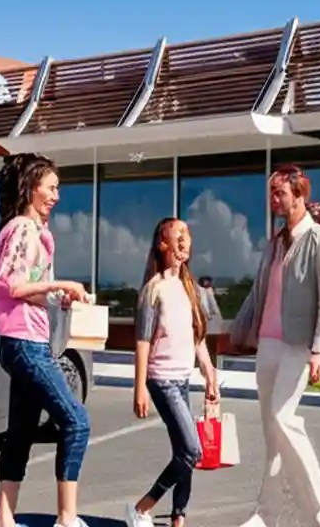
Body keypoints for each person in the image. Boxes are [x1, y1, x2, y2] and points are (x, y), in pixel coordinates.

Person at [229, 166, 320, 527]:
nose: (274, 200)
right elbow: (258, 293)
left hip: (298, 344)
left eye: (280, 193)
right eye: (271, 193)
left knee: (283, 419)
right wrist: (236, 330)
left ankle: (318, 509)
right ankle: (265, 515)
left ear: (299, 195)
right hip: (268, 343)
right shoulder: (274, 243)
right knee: (273, 436)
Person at [0, 152, 94, 527]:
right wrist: (61, 284)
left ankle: (5, 520)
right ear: (30, 188)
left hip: (23, 340)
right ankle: (67, 518)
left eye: (57, 188)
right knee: (76, 421)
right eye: (50, 188)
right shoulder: (23, 229)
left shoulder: (30, 231)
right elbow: (10, 284)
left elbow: (26, 291)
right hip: (25, 343)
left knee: (20, 432)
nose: (56, 196)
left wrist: (57, 296)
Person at [125, 218, 219, 527]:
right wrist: (139, 387)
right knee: (191, 450)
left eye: (187, 234)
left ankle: (179, 514)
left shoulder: (190, 288)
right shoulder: (153, 289)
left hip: (182, 378)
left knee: (183, 450)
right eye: (177, 233)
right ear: (162, 244)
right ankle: (141, 508)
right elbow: (142, 341)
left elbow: (197, 336)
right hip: (161, 380)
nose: (184, 238)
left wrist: (208, 371)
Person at [197, 275, 224, 369]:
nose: (207, 283)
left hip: (213, 325)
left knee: (212, 349)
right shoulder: (200, 291)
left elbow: (215, 308)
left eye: (209, 281)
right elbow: (203, 305)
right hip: (205, 325)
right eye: (206, 281)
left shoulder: (210, 291)